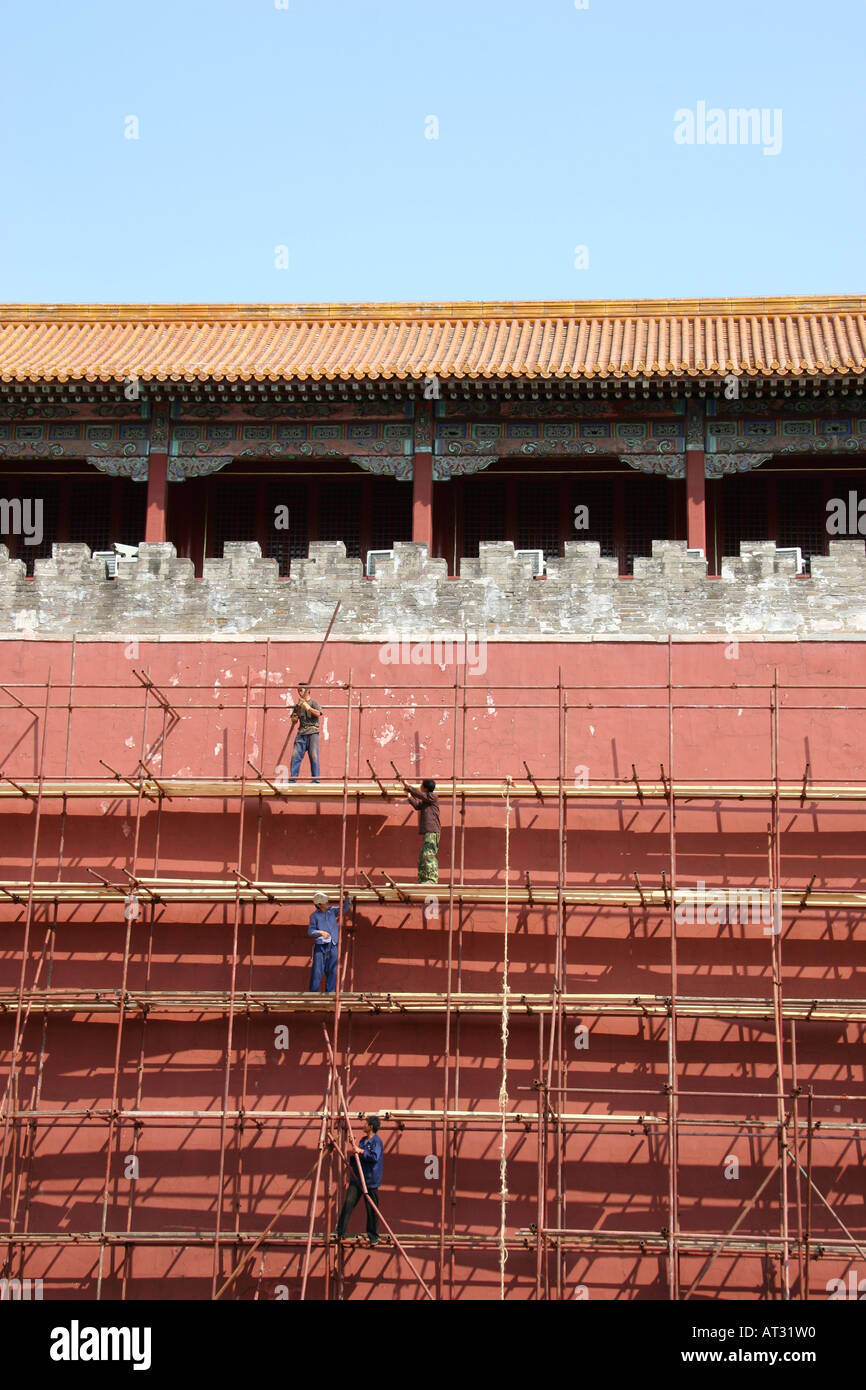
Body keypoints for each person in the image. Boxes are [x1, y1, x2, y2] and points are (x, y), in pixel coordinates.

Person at [335, 1115, 383, 1245]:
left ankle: (373, 1236)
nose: (364, 1125)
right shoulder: (363, 1140)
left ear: (371, 1127)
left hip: (370, 1181)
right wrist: (354, 1146)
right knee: (348, 1204)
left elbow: (374, 1157)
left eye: (366, 1123)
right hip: (357, 1179)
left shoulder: (376, 1142)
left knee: (372, 1209)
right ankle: (340, 1231)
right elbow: (358, 1156)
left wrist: (360, 1151)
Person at [307, 891, 351, 993]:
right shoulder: (314, 916)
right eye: (325, 902)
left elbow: (344, 908)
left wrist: (347, 897)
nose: (327, 903)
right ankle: (312, 994)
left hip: (333, 945)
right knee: (317, 971)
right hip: (320, 946)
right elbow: (310, 931)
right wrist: (320, 932)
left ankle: (330, 993)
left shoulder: (332, 911)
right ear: (319, 905)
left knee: (333, 971)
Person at [403, 777, 441, 884]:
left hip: (432, 831)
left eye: (421, 785)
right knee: (422, 856)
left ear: (424, 787)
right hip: (428, 832)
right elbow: (417, 806)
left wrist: (408, 787)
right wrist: (408, 794)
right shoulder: (426, 800)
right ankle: (423, 879)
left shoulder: (432, 796)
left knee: (428, 854)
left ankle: (431, 880)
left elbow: (420, 795)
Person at [289, 684, 322, 783]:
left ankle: (316, 780)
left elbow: (318, 713)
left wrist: (307, 707)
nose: (300, 693)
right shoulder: (298, 706)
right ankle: (292, 779)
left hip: (312, 732)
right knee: (296, 755)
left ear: (308, 691)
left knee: (314, 755)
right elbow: (294, 720)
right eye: (299, 691)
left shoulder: (314, 702)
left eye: (302, 690)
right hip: (302, 732)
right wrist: (296, 713)